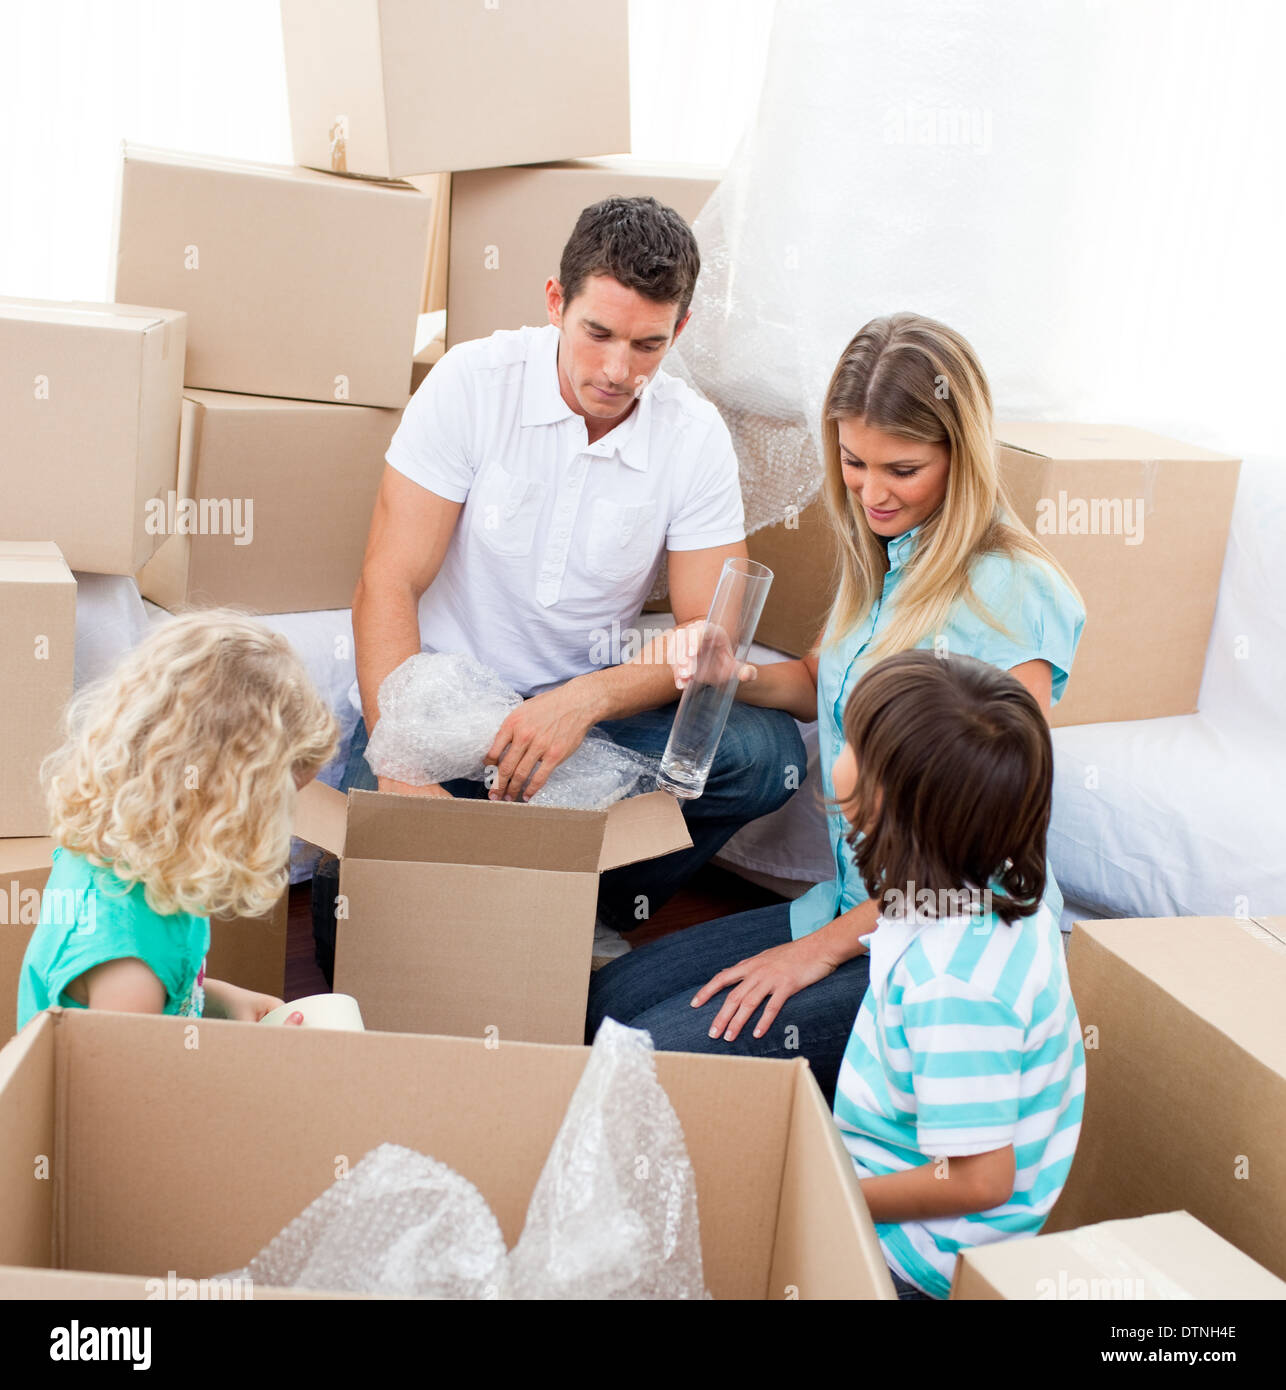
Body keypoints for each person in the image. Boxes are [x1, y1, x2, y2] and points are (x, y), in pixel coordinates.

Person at [587, 312, 1086, 1101]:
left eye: (903, 468)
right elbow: (824, 678)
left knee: (645, 1062)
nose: (872, 491)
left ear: (963, 456)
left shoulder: (1014, 595)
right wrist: (734, 674)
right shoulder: (883, 552)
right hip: (855, 904)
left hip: (939, 939)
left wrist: (820, 951)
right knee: (605, 1010)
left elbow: (989, 860)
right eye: (854, 462)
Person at [313, 195, 804, 981]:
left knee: (761, 752)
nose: (617, 371)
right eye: (597, 333)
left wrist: (588, 699)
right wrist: (403, 753)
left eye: (647, 345)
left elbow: (713, 636)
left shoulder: (692, 434)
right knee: (355, 933)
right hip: (439, 705)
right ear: (555, 302)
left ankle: (589, 906)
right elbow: (388, 579)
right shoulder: (473, 381)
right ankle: (491, 864)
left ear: (678, 332)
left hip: (577, 723)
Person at [827, 649, 1085, 1300]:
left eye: (855, 744)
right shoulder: (978, 879)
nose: (841, 751)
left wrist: (839, 1200)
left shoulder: (956, 984)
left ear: (889, 804)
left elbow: (979, 1181)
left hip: (912, 1255)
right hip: (890, 1171)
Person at [16, 612, 336, 1032]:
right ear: (223, 808)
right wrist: (251, 1063)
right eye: (279, 805)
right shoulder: (129, 975)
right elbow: (132, 1096)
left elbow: (172, 991)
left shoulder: (134, 856)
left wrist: (223, 1000)